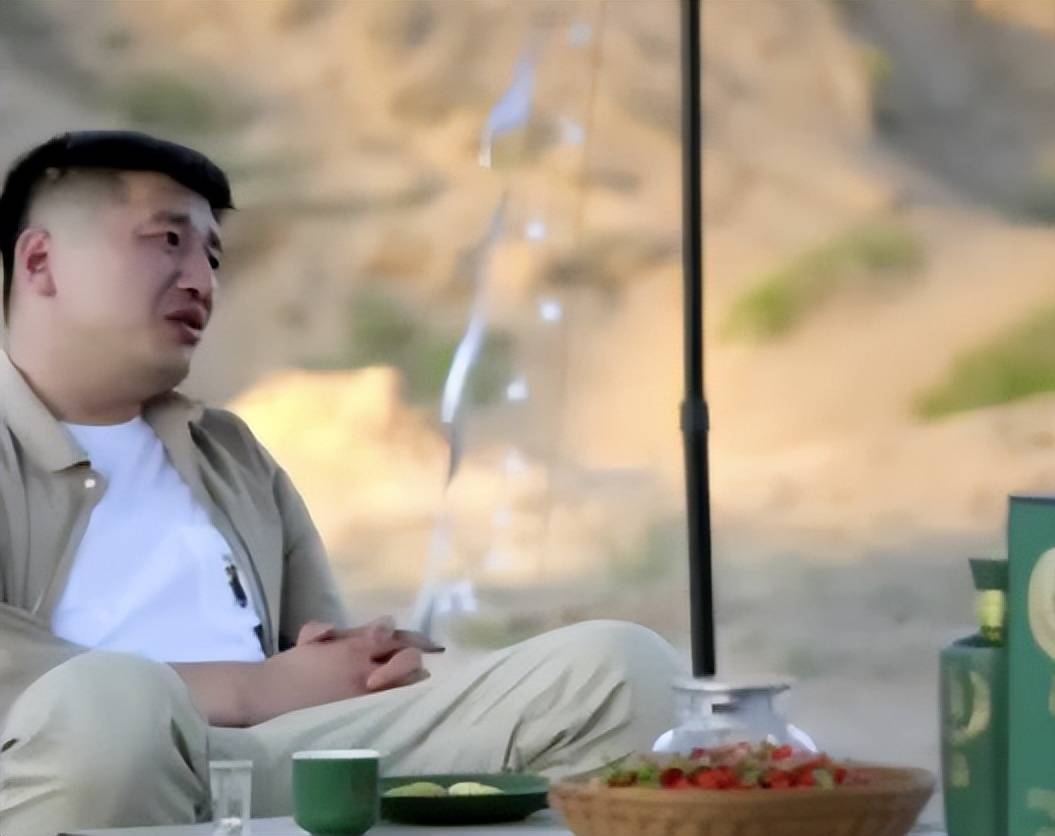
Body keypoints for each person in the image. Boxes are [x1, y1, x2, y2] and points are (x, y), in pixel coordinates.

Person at [0, 131, 679, 835]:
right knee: (111, 706)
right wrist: (255, 688)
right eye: (168, 240)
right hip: (83, 768)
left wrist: (357, 668)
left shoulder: (230, 454)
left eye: (212, 256)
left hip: (275, 762)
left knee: (620, 676)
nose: (201, 280)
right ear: (41, 261)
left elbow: (314, 672)